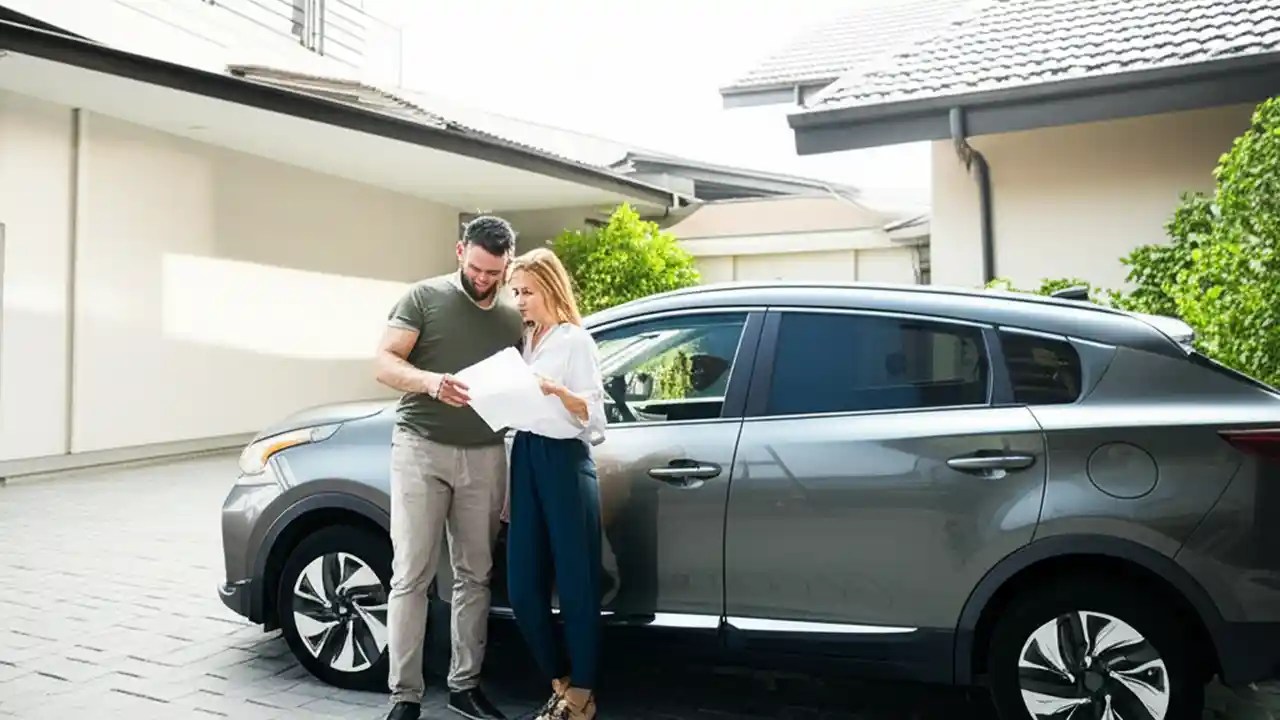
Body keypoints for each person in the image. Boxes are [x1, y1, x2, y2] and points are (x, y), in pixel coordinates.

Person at [374, 216, 524, 720]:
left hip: (484, 454)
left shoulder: (511, 313)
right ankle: (405, 697)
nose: (484, 280)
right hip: (421, 449)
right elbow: (386, 362)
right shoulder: (422, 298)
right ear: (460, 251)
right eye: (477, 268)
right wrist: (431, 383)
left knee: (474, 575)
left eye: (494, 272)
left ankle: (464, 687)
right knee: (411, 575)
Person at [504, 248, 608, 720]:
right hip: (524, 457)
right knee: (522, 586)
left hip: (565, 462)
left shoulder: (574, 341)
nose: (520, 300)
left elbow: (596, 419)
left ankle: (582, 694)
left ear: (549, 287)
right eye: (515, 292)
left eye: (526, 291)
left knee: (576, 583)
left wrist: (559, 392)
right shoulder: (525, 342)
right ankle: (561, 684)